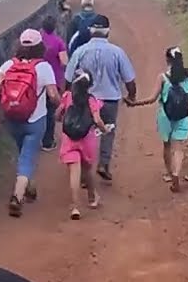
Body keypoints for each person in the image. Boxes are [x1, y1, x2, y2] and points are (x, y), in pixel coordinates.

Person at [0, 29, 60, 215]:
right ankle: (17, 196)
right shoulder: (43, 68)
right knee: (28, 156)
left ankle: (30, 187)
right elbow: (53, 95)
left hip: (12, 119)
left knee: (24, 152)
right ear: (39, 46)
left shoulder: (7, 65)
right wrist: (61, 106)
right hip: (35, 120)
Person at [64, 14, 137, 181]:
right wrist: (132, 96)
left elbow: (68, 78)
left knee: (84, 133)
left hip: (85, 101)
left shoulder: (80, 52)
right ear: (107, 32)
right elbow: (129, 80)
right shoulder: (117, 52)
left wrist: (68, 97)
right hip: (110, 99)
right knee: (108, 131)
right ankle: (104, 163)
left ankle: (83, 171)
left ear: (90, 31)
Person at [128, 46, 188, 192]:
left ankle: (169, 173)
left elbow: (152, 99)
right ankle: (176, 173)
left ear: (167, 60)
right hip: (182, 116)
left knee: (167, 146)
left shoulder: (163, 77)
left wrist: (135, 103)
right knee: (178, 149)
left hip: (165, 115)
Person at [55, 70, 114, 220]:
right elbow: (97, 119)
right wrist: (104, 129)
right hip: (86, 139)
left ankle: (75, 207)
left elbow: (58, 114)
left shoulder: (67, 96)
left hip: (70, 139)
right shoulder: (91, 100)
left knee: (74, 172)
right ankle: (92, 198)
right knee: (87, 171)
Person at [39, 15, 70, 151]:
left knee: (38, 110)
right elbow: (64, 61)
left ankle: (36, 137)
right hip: (53, 80)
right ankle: (47, 141)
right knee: (50, 111)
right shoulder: (58, 42)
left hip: (37, 80)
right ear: (55, 27)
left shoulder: (38, 40)